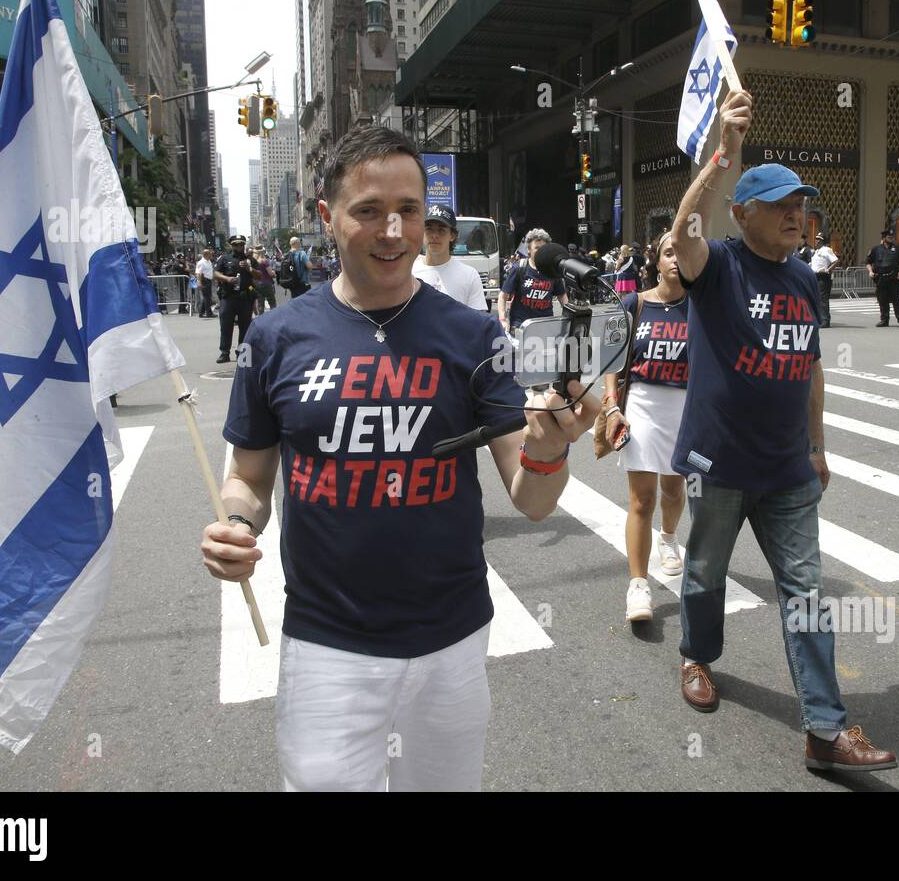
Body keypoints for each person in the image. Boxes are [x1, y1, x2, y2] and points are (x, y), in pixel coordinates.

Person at [200, 125, 600, 791]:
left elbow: (530, 499)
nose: (393, 230)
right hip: (326, 646)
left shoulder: (473, 335)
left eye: (409, 210)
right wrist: (236, 527)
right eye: (369, 211)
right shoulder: (275, 338)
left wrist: (552, 446)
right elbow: (247, 477)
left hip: (452, 642)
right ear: (327, 218)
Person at [668, 88, 897, 773]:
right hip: (718, 462)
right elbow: (682, 235)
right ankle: (697, 657)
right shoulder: (718, 267)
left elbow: (812, 368)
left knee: (806, 593)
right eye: (784, 207)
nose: (800, 217)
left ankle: (826, 731)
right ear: (743, 214)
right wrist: (721, 153)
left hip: (789, 469)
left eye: (803, 207)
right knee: (705, 575)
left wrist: (819, 445)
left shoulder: (803, 278)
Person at [602, 233, 689, 623]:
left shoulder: (700, 306)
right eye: (669, 252)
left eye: (683, 253)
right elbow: (612, 357)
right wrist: (611, 406)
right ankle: (638, 585)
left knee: (674, 488)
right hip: (641, 406)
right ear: (656, 260)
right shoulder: (633, 303)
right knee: (641, 499)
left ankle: (668, 539)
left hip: (686, 407)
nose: (676, 259)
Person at [413, 204, 485, 310]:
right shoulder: (409, 273)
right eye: (429, 229)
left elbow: (479, 322)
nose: (434, 235)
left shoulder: (470, 276)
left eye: (441, 230)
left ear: (452, 235)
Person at [498, 229, 565, 336]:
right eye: (536, 248)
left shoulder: (552, 270)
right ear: (528, 250)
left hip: (546, 326)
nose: (540, 251)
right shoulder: (519, 268)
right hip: (521, 326)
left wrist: (568, 319)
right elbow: (503, 295)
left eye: (543, 248)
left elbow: (562, 296)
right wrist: (502, 319)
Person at [213, 235, 256, 363]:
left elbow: (260, 275)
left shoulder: (249, 259)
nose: (239, 247)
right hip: (228, 297)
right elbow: (215, 273)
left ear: (244, 245)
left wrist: (249, 268)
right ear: (232, 245)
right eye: (236, 244)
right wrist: (227, 279)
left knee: (245, 327)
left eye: (241, 244)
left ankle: (242, 353)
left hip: (245, 298)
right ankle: (224, 353)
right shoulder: (225, 258)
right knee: (226, 326)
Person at [865, 228, 899, 328]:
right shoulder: (876, 249)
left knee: (897, 300)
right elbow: (868, 262)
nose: (891, 238)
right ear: (884, 238)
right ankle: (884, 320)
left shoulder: (898, 248)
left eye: (892, 237)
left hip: (894, 279)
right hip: (881, 279)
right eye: (889, 237)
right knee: (882, 300)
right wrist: (870, 271)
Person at [809, 232, 838, 327]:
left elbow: (835, 261)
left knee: (823, 299)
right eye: (816, 239)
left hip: (823, 277)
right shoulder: (816, 251)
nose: (816, 241)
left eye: (818, 239)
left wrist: (828, 270)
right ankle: (819, 318)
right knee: (817, 298)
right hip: (815, 276)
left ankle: (825, 320)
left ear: (822, 241)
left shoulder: (826, 250)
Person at [251, 246, 278, 316]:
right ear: (262, 252)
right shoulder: (264, 261)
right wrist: (273, 273)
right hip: (266, 282)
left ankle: (261, 319)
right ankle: (274, 317)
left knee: (260, 303)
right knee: (272, 302)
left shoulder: (253, 261)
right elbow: (270, 273)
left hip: (256, 283)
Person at [195, 248, 215, 318]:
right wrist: (199, 282)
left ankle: (201, 312)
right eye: (209, 254)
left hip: (208, 280)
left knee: (206, 297)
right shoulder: (201, 262)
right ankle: (209, 313)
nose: (211, 255)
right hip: (204, 280)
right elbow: (198, 273)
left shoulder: (208, 261)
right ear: (206, 254)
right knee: (207, 298)